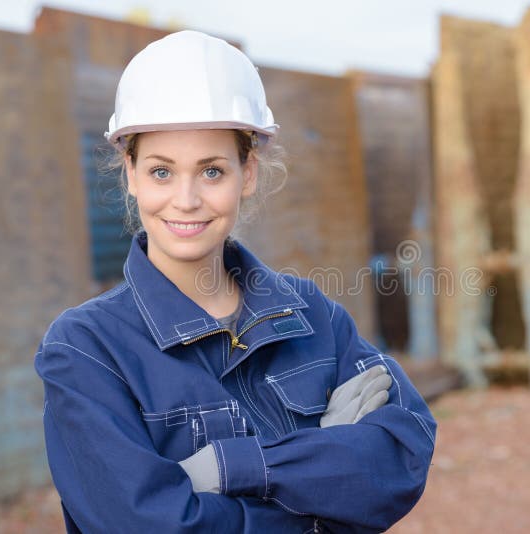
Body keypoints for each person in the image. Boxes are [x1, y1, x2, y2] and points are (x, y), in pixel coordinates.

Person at [34, 30, 436, 533]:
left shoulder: (310, 315)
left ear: (247, 174)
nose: (185, 199)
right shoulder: (87, 350)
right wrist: (320, 493)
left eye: (211, 171)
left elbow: (403, 451)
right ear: (130, 173)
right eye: (161, 172)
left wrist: (235, 468)